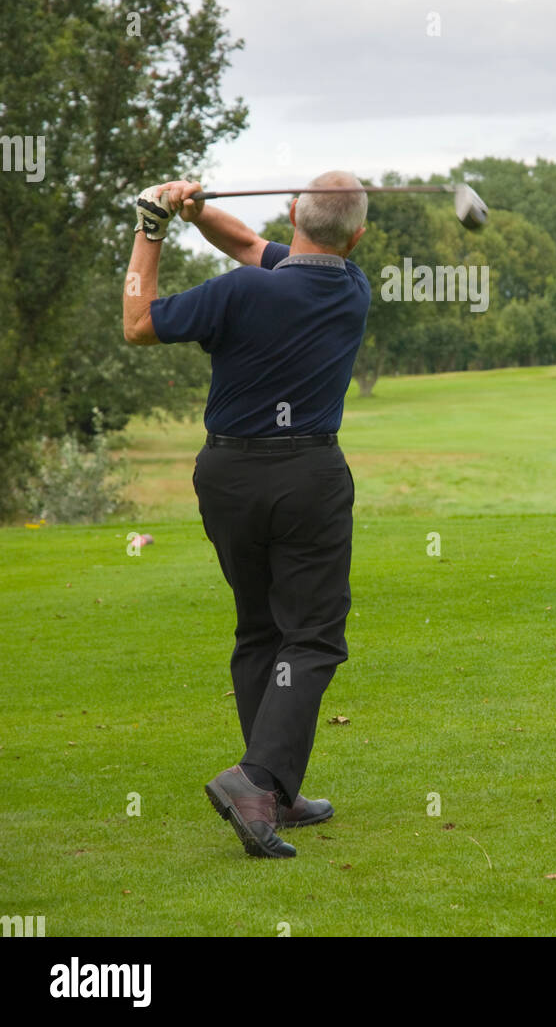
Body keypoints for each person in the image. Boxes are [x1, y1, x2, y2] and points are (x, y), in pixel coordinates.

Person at [122, 171, 371, 859]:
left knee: (261, 628)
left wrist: (152, 226)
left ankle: (275, 797)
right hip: (308, 478)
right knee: (313, 637)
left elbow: (137, 323)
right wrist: (199, 215)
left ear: (292, 209)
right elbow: (250, 245)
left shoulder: (242, 289)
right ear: (357, 236)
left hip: (227, 476)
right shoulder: (351, 288)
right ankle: (256, 779)